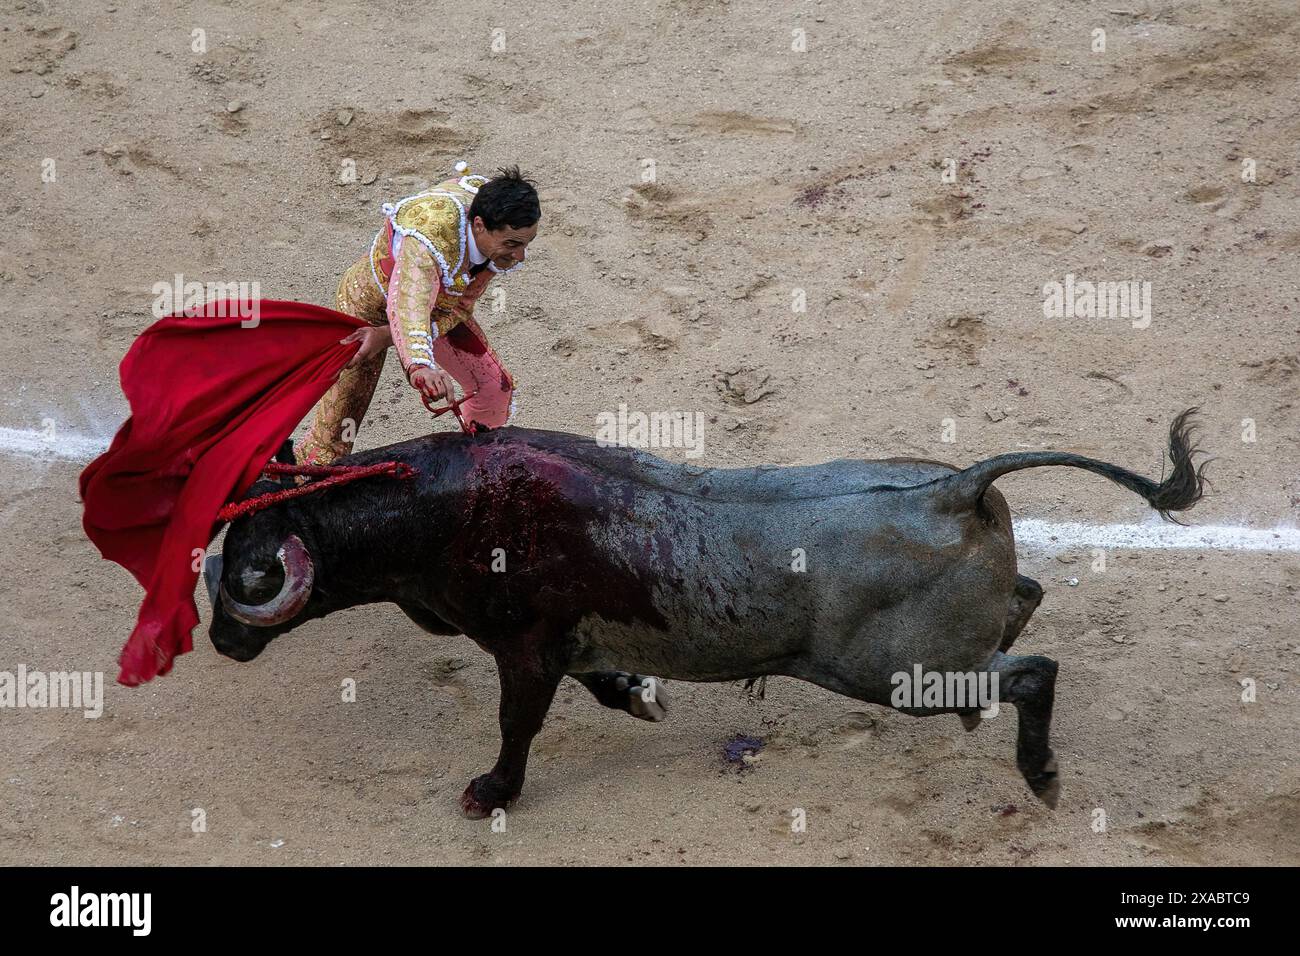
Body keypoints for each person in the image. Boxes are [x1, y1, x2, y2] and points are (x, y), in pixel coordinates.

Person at [296, 162, 540, 464]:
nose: (520, 256)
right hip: (367, 309)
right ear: (479, 226)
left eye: (525, 244)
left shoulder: (495, 215)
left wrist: (386, 338)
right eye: (513, 244)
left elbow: (460, 306)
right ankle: (303, 480)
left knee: (493, 388)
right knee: (336, 432)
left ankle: (478, 471)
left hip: (439, 309)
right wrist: (420, 367)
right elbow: (407, 305)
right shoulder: (428, 239)